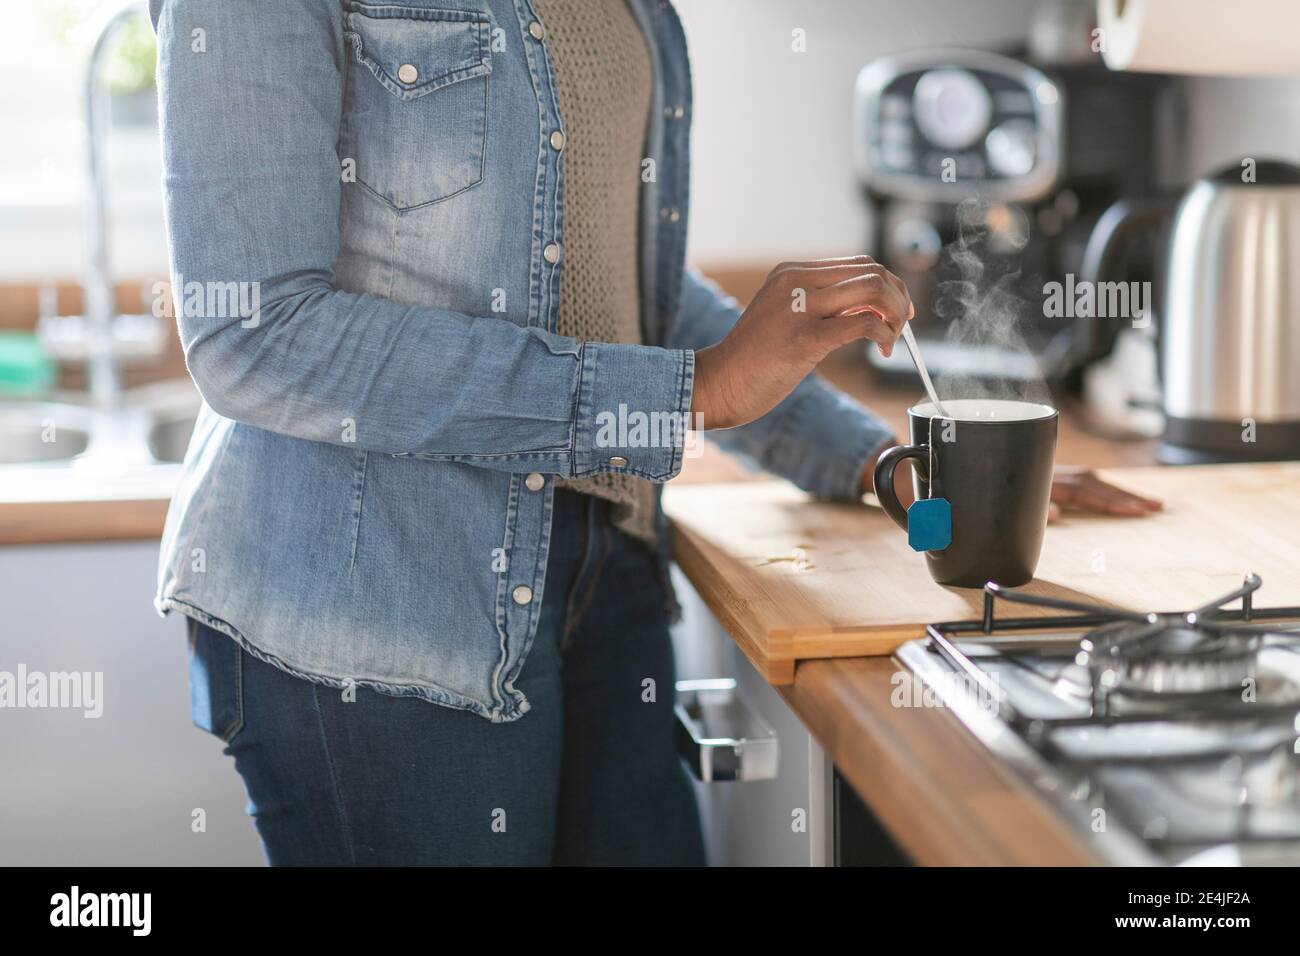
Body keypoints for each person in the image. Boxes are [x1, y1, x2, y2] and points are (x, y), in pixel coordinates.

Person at [150, 0, 1158, 866]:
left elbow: (620, 292)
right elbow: (256, 334)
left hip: (605, 575)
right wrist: (686, 394)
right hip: (380, 611)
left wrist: (890, 465)